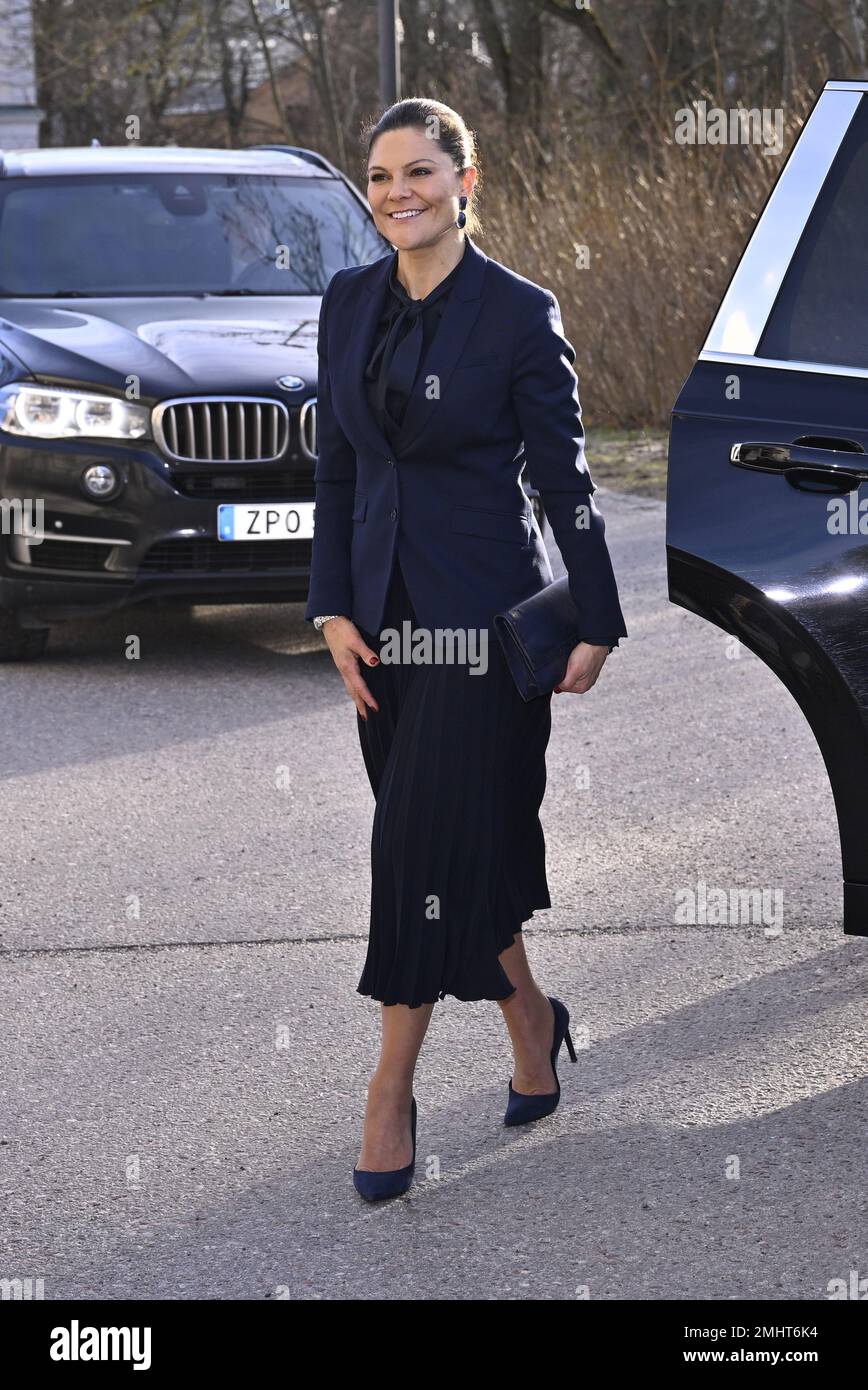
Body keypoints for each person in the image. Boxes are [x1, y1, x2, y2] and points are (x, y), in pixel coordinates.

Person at [304, 98, 627, 1200]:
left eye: (420, 171)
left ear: (466, 181)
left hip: (483, 626)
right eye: (381, 174)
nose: (398, 191)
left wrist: (596, 618)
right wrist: (331, 611)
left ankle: (388, 1092)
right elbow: (338, 470)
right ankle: (532, 1022)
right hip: (380, 632)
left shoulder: (518, 317)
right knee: (458, 855)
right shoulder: (347, 304)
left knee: (414, 855)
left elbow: (568, 483)